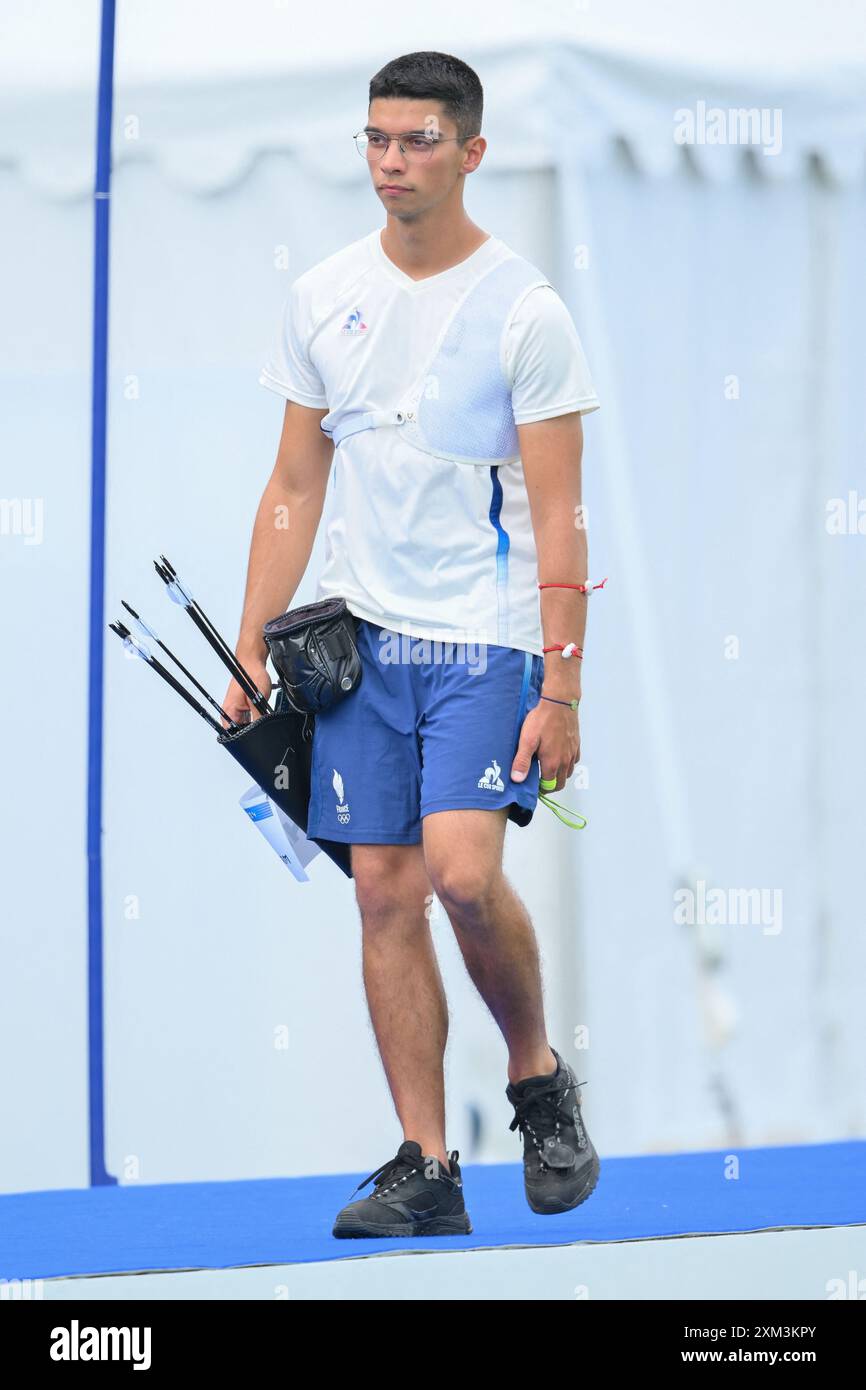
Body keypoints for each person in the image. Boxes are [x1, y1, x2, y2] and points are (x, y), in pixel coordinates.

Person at [224, 50, 601, 1238]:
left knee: (458, 872)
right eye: (377, 139)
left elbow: (558, 513)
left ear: (470, 151)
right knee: (381, 891)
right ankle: (425, 1164)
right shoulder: (323, 293)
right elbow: (293, 482)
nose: (393, 161)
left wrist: (563, 687)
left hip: (483, 642)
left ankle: (536, 1078)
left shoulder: (525, 311)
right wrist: (248, 646)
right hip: (357, 638)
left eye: (419, 140)